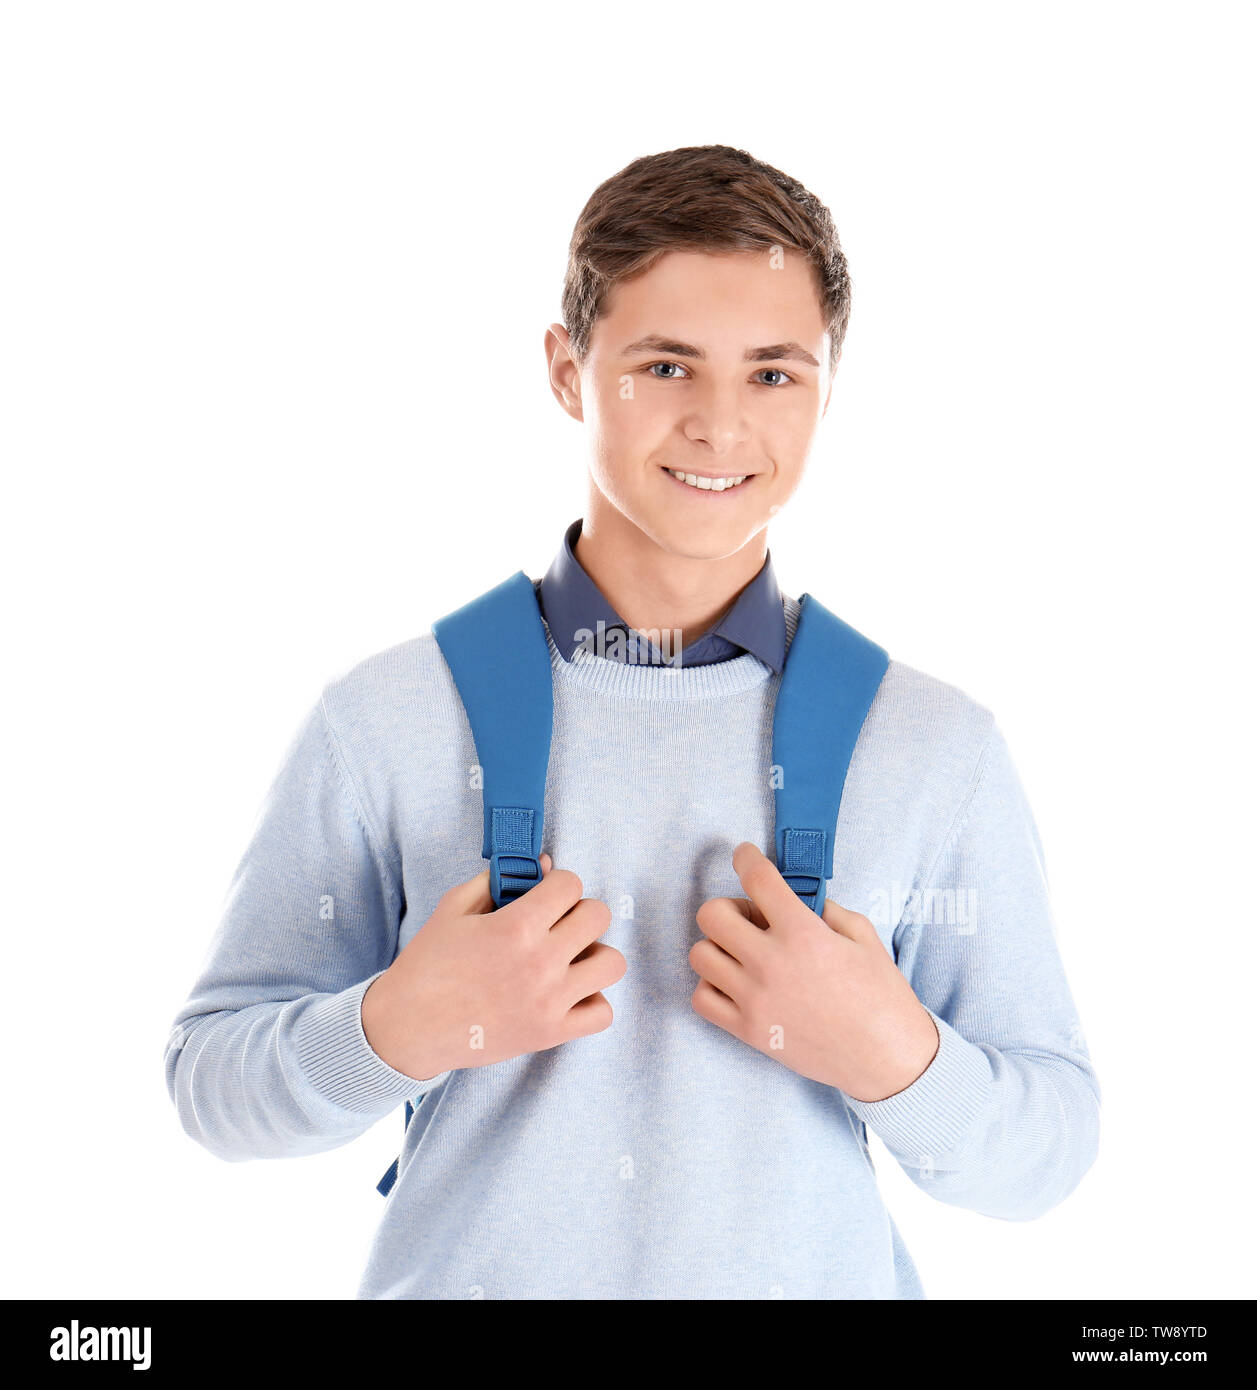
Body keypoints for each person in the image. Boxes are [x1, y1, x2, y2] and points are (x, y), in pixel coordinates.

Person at [164, 144, 1100, 1299]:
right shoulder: (389, 720)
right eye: (664, 365)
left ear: (826, 384)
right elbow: (211, 1083)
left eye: (773, 373)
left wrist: (893, 1056)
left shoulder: (932, 746)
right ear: (568, 371)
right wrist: (392, 1027)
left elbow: (1049, 1148)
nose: (719, 425)